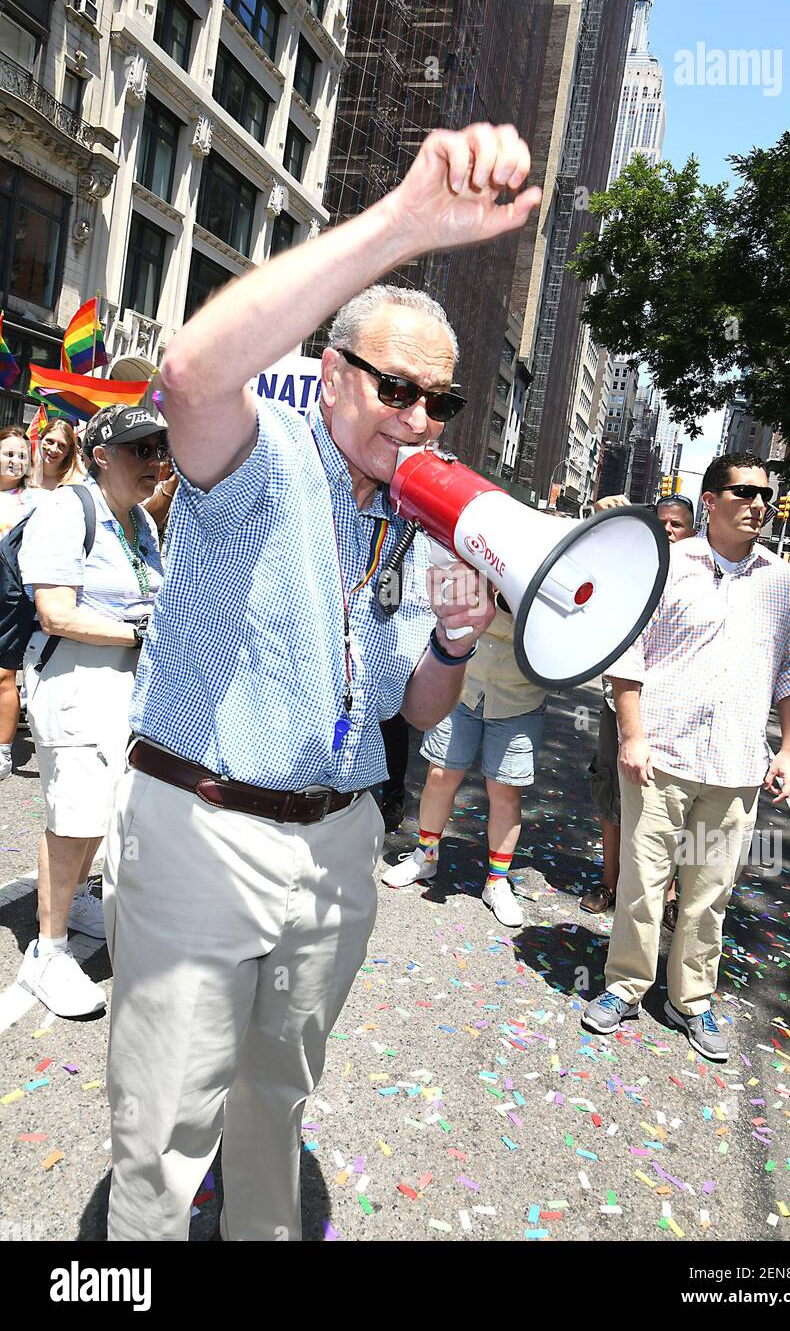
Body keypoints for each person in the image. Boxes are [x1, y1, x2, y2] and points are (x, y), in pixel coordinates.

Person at [101, 122, 539, 1242]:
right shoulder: (263, 451)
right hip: (205, 829)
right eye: (396, 387)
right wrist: (404, 223)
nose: (418, 419)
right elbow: (193, 368)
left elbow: (412, 708)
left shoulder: (399, 518)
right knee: (162, 1131)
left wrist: (449, 641)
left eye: (439, 402)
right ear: (333, 373)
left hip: (338, 840)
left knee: (274, 1103)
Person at [581, 452, 790, 1061]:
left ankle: (691, 1000)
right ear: (709, 501)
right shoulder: (665, 567)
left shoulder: (787, 585)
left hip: (737, 765)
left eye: (764, 494)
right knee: (642, 882)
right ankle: (624, 986)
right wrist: (632, 736)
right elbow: (627, 655)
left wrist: (789, 749)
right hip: (661, 755)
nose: (757, 503)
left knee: (709, 890)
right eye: (742, 492)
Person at [15, 406, 166, 1016]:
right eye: (140, 451)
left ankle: (77, 897)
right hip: (73, 683)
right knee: (74, 815)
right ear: (101, 454)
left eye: (160, 451)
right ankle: (47, 952)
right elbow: (55, 612)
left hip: (120, 688)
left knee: (104, 807)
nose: (155, 462)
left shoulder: (139, 523)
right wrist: (141, 633)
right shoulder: (65, 508)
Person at [381, 592, 547, 927]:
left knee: (505, 790)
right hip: (464, 682)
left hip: (520, 693)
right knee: (440, 774)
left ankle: (497, 881)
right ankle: (426, 857)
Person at [582, 494, 695, 926]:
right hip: (620, 699)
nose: (668, 530)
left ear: (691, 531)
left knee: (671, 800)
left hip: (673, 710)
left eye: (677, 525)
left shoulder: (704, 576)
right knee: (610, 788)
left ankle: (668, 894)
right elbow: (589, 570)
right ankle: (610, 883)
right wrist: (603, 519)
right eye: (661, 522)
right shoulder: (630, 565)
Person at [0, 426, 37, 780]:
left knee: (3, 674)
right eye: (9, 453)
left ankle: (3, 751)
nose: (15, 461)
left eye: (21, 455)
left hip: (10, 598)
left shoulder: (38, 501)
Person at [32, 420, 85, 491]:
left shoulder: (76, 484)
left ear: (69, 451)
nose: (54, 449)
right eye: (50, 441)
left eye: (62, 446)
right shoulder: (24, 473)